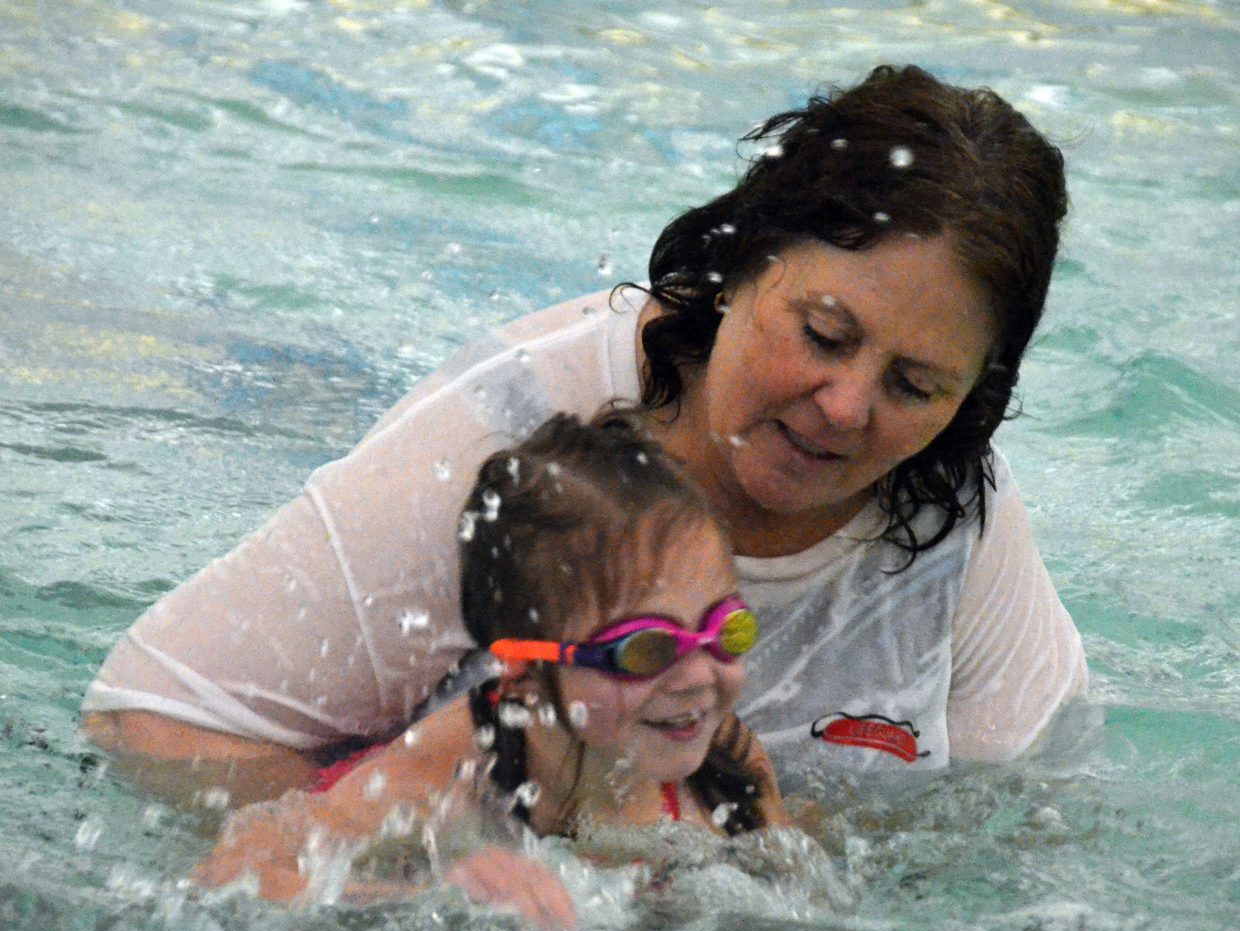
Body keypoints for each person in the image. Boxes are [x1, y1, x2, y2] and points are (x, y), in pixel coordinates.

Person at [81, 64, 1088, 805]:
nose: (845, 406)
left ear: (974, 397)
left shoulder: (954, 505)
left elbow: (1029, 816)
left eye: (915, 384)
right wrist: (389, 867)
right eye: (823, 334)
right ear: (741, 262)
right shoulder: (523, 437)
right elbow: (155, 714)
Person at [192, 411, 787, 931]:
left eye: (724, 630)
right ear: (524, 668)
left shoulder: (729, 767)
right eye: (644, 650)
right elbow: (234, 872)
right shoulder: (448, 769)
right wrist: (425, 902)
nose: (696, 677)